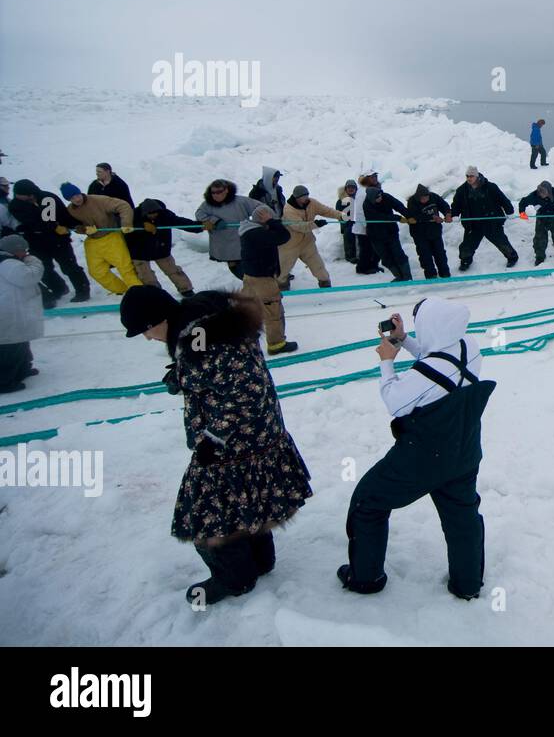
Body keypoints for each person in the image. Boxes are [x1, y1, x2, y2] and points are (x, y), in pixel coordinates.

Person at [119, 285, 313, 605]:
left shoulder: (205, 336)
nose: (147, 337)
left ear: (158, 319)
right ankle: (259, 561)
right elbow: (224, 374)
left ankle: (234, 577)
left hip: (235, 442)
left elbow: (244, 391)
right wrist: (183, 374)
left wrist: (214, 436)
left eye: (145, 329)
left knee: (207, 514)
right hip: (256, 435)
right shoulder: (205, 326)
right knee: (243, 498)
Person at [339, 296, 492, 598]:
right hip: (464, 450)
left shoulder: (422, 375)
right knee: (462, 517)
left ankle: (366, 577)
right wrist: (404, 339)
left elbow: (395, 402)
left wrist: (386, 360)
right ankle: (468, 584)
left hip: (424, 457)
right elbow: (438, 357)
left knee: (368, 503)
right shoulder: (469, 347)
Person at [7, 179, 91, 305]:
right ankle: (59, 288)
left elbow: (63, 215)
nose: (18, 197)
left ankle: (83, 290)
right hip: (36, 241)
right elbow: (33, 221)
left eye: (21, 195)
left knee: (69, 266)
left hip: (58, 240)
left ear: (30, 193)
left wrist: (77, 226)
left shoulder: (48, 198)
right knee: (43, 268)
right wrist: (53, 226)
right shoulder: (16, 205)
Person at [60, 182, 144, 295]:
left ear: (80, 192)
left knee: (125, 267)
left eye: (77, 195)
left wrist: (126, 223)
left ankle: (139, 292)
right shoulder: (70, 210)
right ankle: (122, 290)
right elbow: (73, 225)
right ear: (68, 199)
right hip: (92, 241)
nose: (76, 199)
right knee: (96, 271)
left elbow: (123, 205)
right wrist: (84, 229)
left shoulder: (98, 200)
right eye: (72, 198)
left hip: (111, 236)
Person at [239, 204, 298, 354]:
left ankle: (244, 340)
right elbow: (283, 236)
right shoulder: (257, 233)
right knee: (273, 311)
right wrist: (272, 222)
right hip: (262, 279)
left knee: (247, 309)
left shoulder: (248, 230)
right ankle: (276, 344)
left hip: (250, 276)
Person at [450, 166, 518, 272]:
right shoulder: (462, 190)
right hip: (473, 224)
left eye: (471, 176)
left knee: (501, 241)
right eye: (467, 176)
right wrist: (454, 214)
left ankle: (512, 257)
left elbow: (503, 199)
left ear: (476, 176)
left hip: (491, 221)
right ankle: (465, 261)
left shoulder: (490, 187)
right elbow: (456, 204)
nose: (469, 178)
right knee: (467, 245)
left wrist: (510, 211)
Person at [127, 198, 200, 296]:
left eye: (155, 213)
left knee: (173, 270)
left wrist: (199, 226)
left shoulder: (165, 214)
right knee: (145, 275)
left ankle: (186, 289)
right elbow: (125, 229)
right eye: (150, 214)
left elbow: (179, 222)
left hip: (161, 248)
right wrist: (140, 227)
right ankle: (155, 293)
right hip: (139, 251)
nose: (153, 215)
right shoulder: (133, 215)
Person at [0, 235, 43, 393]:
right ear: (15, 250)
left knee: (20, 343)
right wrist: (33, 261)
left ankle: (23, 368)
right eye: (23, 250)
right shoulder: (7, 263)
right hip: (8, 312)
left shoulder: (8, 261)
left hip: (13, 309)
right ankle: (5, 382)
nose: (25, 253)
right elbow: (29, 276)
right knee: (10, 348)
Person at [278, 185, 343, 289]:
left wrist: (340, 215)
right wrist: (315, 224)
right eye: (303, 196)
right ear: (297, 198)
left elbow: (326, 210)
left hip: (307, 243)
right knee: (283, 269)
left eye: (307, 195)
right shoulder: (288, 209)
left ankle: (324, 282)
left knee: (318, 265)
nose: (306, 198)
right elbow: (299, 226)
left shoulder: (311, 203)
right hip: (289, 244)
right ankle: (282, 285)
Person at [195, 179, 260, 279]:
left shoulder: (240, 201)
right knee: (235, 267)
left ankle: (255, 284)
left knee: (250, 266)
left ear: (226, 190)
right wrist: (214, 221)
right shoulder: (207, 204)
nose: (216, 195)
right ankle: (251, 284)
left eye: (219, 192)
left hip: (241, 239)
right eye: (213, 192)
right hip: (223, 243)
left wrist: (262, 219)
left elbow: (260, 208)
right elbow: (199, 213)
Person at [360, 176, 415, 281]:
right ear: (372, 199)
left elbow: (398, 205)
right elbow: (381, 217)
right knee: (386, 258)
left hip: (391, 232)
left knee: (398, 254)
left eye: (380, 195)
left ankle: (407, 277)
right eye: (377, 197)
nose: (380, 198)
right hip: (376, 235)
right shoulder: (367, 205)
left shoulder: (385, 197)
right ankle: (399, 276)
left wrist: (409, 216)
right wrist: (398, 218)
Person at [518, 180, 554, 265]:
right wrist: (522, 212)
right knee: (540, 238)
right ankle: (539, 257)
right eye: (540, 194)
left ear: (549, 191)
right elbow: (523, 202)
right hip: (542, 217)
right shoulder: (534, 195)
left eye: (543, 194)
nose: (541, 195)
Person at [406, 183, 453, 279]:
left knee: (440, 253)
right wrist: (432, 217)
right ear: (418, 197)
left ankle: (445, 273)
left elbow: (444, 205)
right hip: (419, 234)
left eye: (426, 197)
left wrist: (447, 214)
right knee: (425, 255)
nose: (425, 200)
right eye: (422, 198)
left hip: (435, 231)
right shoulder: (412, 201)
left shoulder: (433, 197)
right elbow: (414, 215)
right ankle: (430, 275)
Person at [350, 172, 382, 275]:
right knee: (366, 248)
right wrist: (366, 225)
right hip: (365, 226)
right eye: (372, 177)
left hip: (374, 224)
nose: (375, 179)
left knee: (375, 247)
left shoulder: (375, 188)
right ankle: (363, 268)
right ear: (367, 179)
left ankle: (373, 265)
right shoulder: (363, 192)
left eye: (375, 176)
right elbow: (360, 210)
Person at [336, 179, 359, 264]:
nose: (351, 189)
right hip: (347, 223)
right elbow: (339, 214)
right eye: (349, 187)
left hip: (359, 221)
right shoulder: (341, 201)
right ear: (345, 189)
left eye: (353, 187)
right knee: (349, 231)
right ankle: (350, 256)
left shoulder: (360, 199)